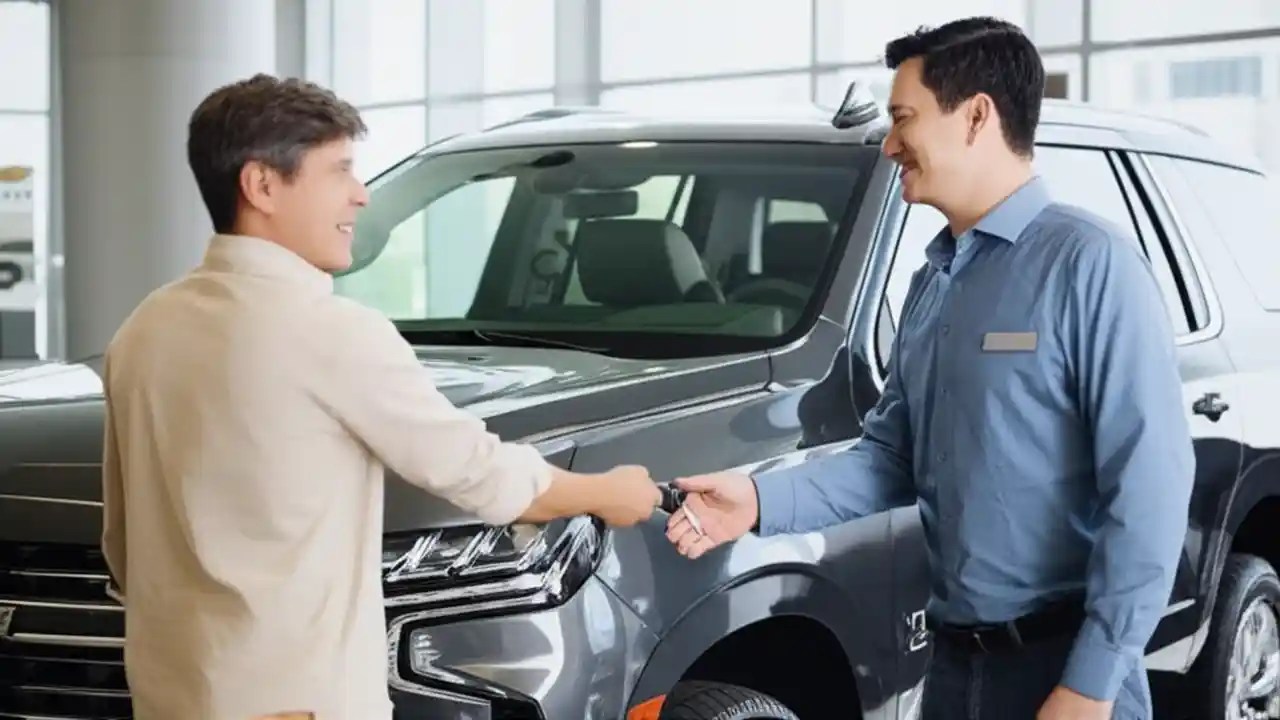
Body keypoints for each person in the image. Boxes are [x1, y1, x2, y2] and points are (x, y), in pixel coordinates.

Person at [664, 17, 1194, 720]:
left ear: (976, 115)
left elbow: (1151, 496)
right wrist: (759, 502)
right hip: (954, 672)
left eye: (902, 118)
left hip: (1066, 671)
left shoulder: (1090, 265)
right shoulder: (934, 280)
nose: (890, 145)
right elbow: (891, 459)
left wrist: (1091, 685)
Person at [99, 74, 661, 720]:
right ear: (261, 185)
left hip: (170, 699)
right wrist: (608, 493)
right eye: (339, 170)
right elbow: (475, 472)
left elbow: (123, 547)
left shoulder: (142, 329)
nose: (361, 195)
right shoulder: (331, 332)